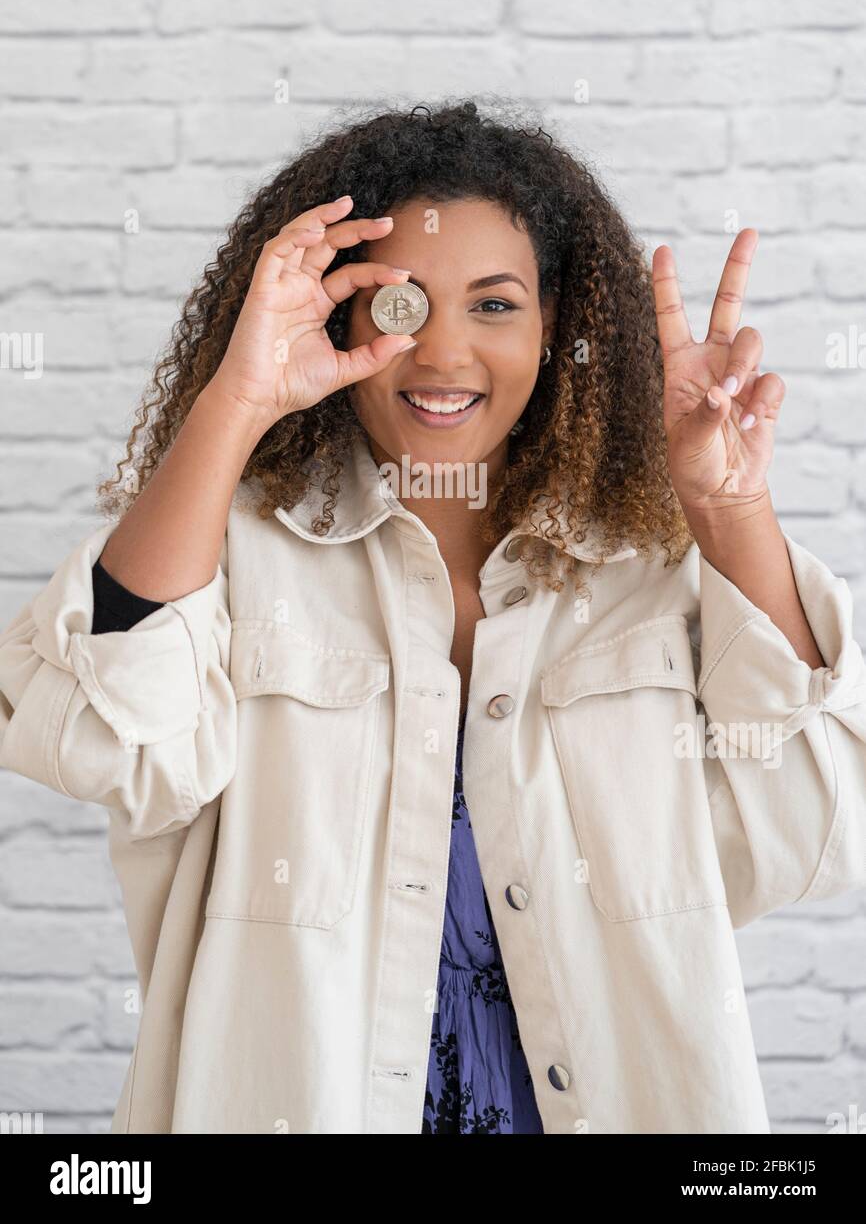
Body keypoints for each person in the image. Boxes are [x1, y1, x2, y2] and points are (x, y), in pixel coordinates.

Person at [1, 99, 865, 1136]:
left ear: (552, 328)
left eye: (494, 305)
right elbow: (102, 742)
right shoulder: (229, 547)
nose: (443, 351)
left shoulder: (657, 569)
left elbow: (820, 830)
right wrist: (237, 399)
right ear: (338, 317)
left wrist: (728, 509)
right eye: (399, 303)